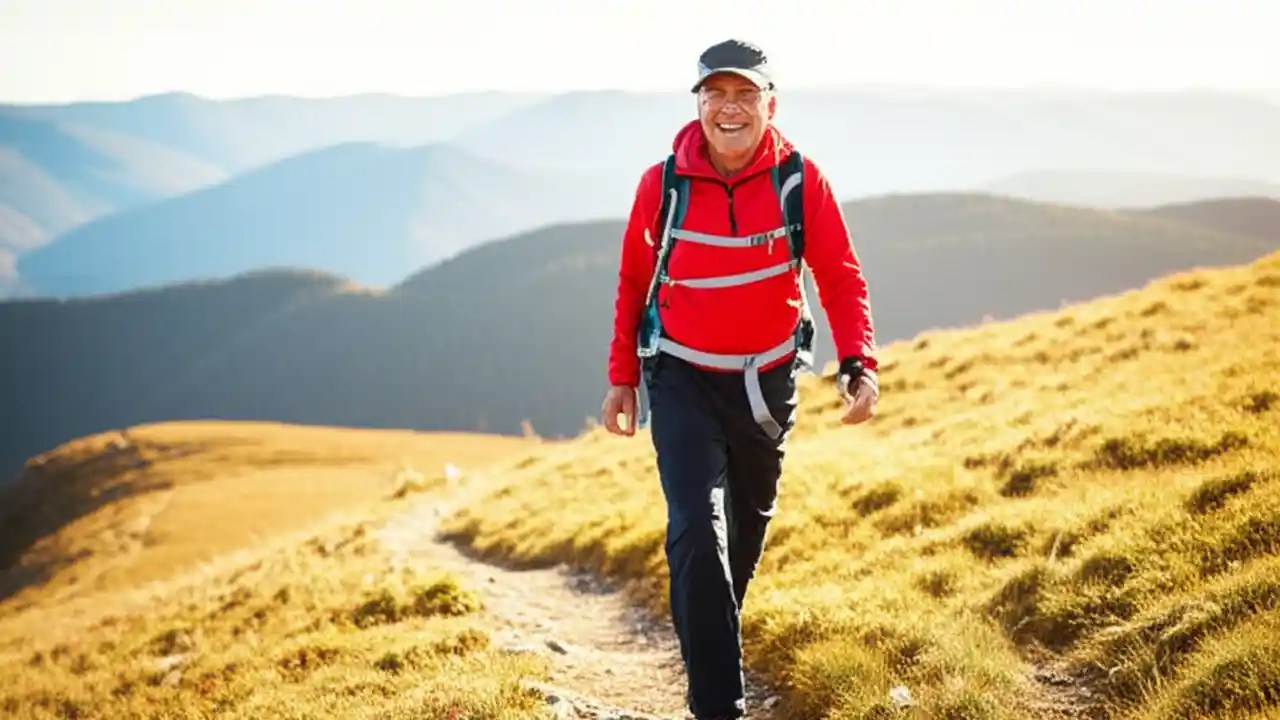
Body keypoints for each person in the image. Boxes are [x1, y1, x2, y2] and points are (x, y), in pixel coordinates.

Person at [600, 38, 880, 720]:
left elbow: (839, 275)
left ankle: (705, 653)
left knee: (741, 545)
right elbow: (635, 281)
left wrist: (857, 362)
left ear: (770, 104)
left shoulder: (800, 181)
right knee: (696, 527)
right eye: (715, 95)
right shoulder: (661, 184)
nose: (730, 109)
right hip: (681, 379)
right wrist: (622, 377)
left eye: (744, 95)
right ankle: (719, 704)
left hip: (766, 387)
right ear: (698, 105)